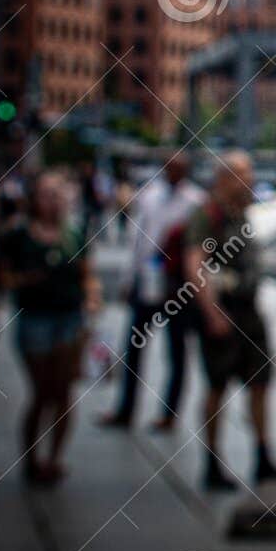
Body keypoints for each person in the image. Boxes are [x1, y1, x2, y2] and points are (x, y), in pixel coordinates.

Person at [184, 150, 276, 490]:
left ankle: (263, 456)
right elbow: (195, 265)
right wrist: (212, 314)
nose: (250, 179)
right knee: (217, 385)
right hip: (224, 311)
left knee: (260, 382)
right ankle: (212, 462)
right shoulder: (207, 215)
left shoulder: (241, 213)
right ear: (225, 178)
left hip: (249, 312)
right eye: (244, 173)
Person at [0, 170, 100, 485]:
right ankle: (31, 459)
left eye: (58, 193)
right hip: (35, 319)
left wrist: (92, 299)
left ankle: (54, 458)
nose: (53, 201)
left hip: (69, 318)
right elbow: (2, 276)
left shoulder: (74, 233)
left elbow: (87, 273)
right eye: (46, 194)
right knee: (42, 391)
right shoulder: (18, 234)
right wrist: (25, 279)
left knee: (63, 390)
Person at [99, 152, 204, 431]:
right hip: (147, 280)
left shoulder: (196, 201)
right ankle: (126, 409)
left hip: (177, 286)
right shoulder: (150, 196)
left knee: (177, 350)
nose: (173, 173)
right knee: (134, 347)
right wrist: (129, 278)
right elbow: (137, 239)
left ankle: (169, 413)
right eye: (169, 168)